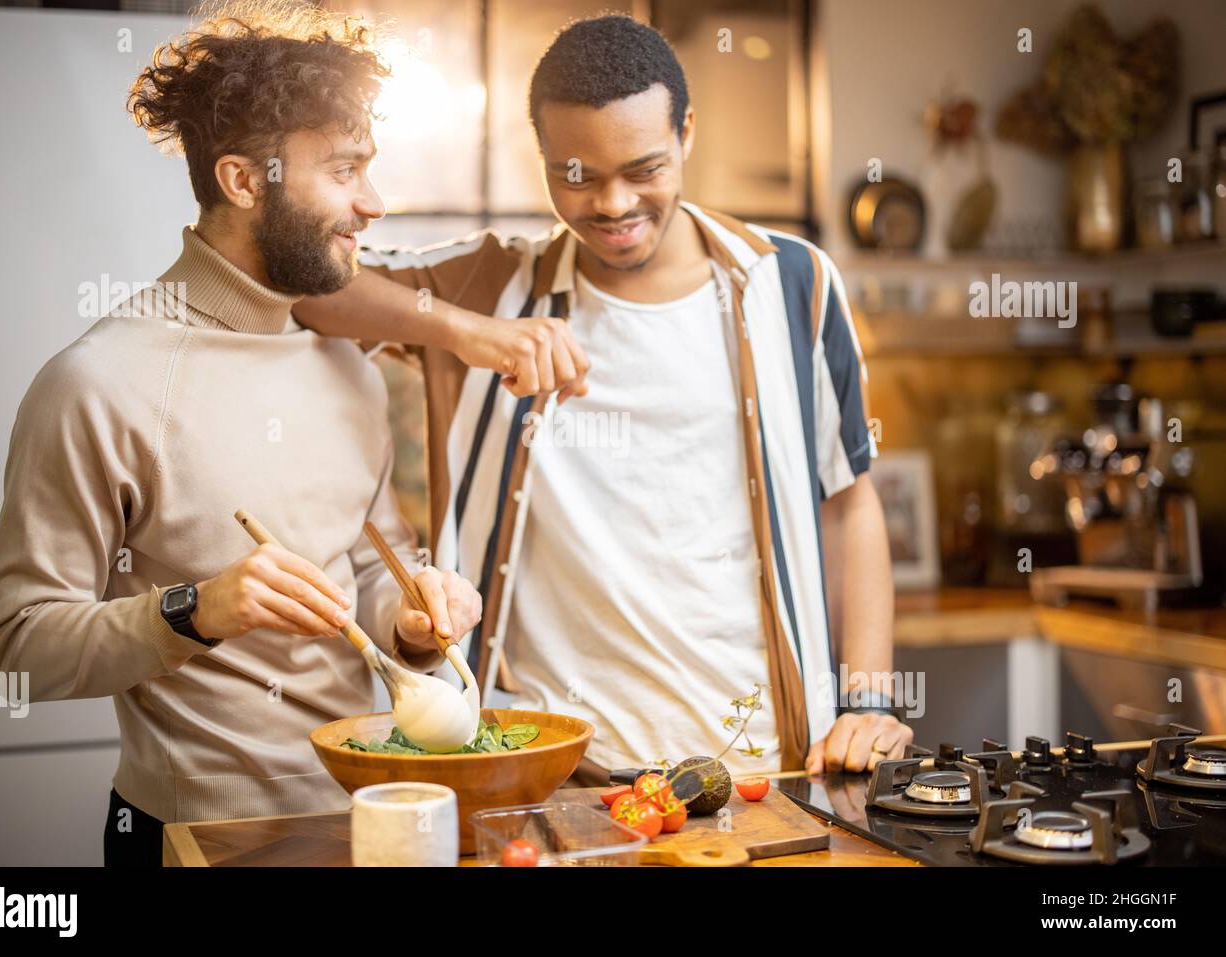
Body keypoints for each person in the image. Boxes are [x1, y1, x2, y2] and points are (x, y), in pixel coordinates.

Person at [295, 15, 912, 782]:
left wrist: (867, 697)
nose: (614, 204)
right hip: (555, 771)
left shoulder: (792, 281)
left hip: (767, 766)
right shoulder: (494, 284)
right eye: (576, 175)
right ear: (545, 160)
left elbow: (849, 503)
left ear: (687, 132)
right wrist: (469, 332)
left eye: (644, 168)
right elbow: (308, 285)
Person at [0, 2, 486, 867]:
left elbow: (366, 562)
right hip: (189, 840)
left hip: (362, 821)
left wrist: (408, 621)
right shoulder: (98, 382)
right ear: (246, 182)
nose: (374, 201)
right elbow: (15, 648)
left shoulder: (348, 369)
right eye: (346, 169)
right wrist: (197, 611)